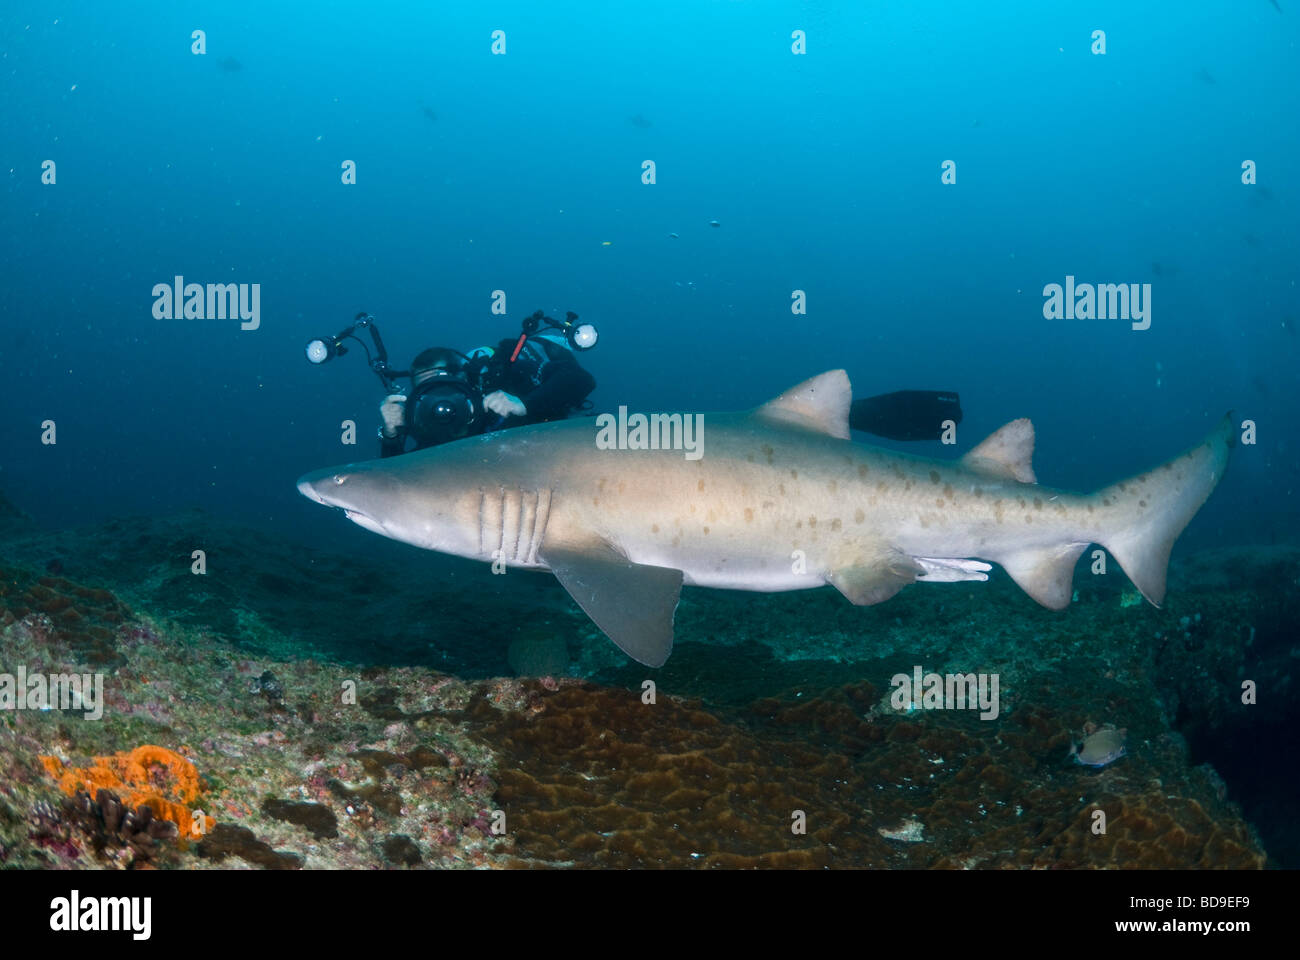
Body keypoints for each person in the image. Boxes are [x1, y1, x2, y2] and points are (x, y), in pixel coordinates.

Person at [379, 332, 595, 457]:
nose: (442, 402)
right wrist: (391, 436)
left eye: (446, 386)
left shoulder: (496, 381)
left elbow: (579, 378)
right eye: (429, 391)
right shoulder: (425, 419)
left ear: (464, 376)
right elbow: (399, 482)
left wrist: (525, 404)